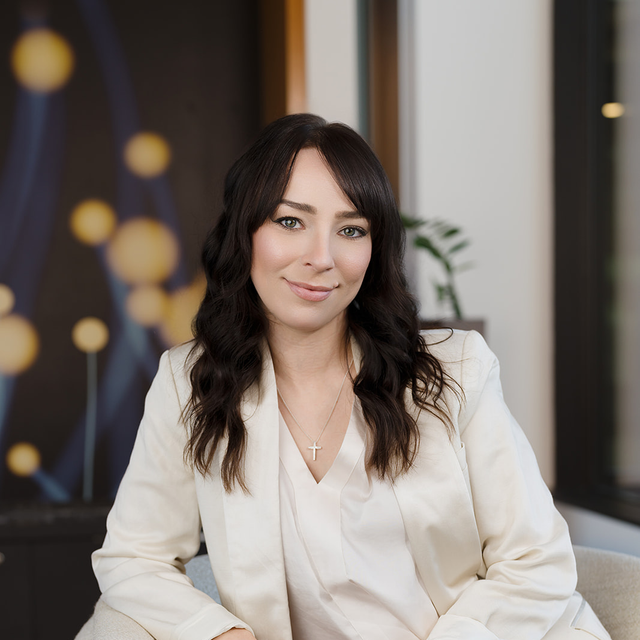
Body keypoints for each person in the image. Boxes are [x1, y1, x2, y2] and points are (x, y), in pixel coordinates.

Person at [91, 114, 610, 640]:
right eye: (290, 222)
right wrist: (222, 634)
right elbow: (134, 557)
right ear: (244, 233)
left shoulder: (455, 370)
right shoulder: (191, 384)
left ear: (373, 249)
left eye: (351, 230)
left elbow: (536, 561)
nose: (321, 258)